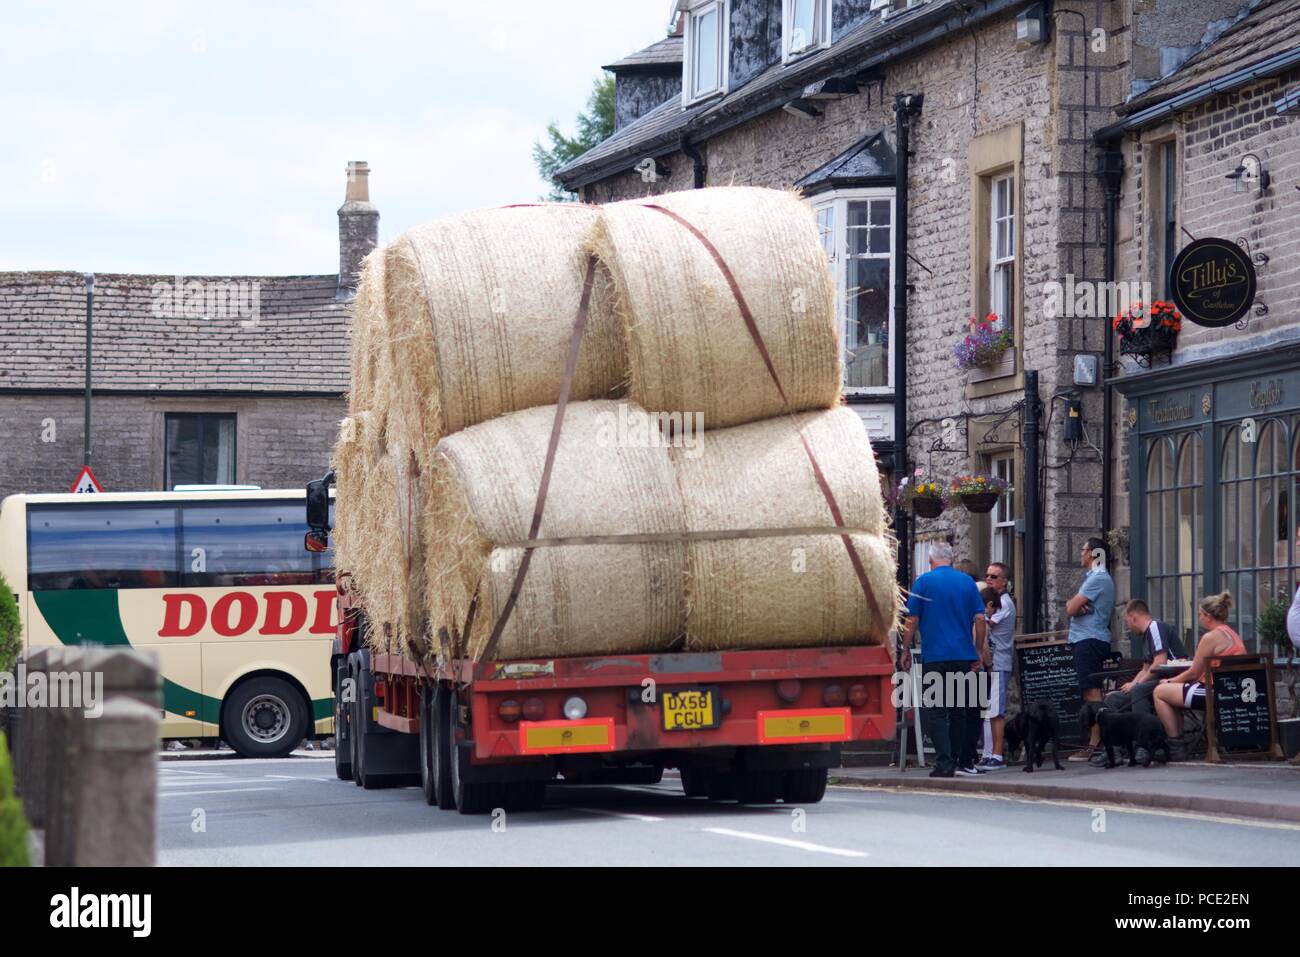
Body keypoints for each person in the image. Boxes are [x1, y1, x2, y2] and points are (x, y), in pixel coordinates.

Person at [900, 541, 988, 778]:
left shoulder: (923, 583)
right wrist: (978, 651)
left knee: (937, 711)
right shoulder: (967, 582)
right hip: (962, 655)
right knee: (958, 710)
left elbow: (912, 621)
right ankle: (959, 761)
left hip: (935, 656)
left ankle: (944, 763)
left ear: (930, 561)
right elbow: (980, 620)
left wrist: (905, 649)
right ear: (952, 558)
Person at [1154, 592, 1247, 758]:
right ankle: (1180, 742)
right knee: (1173, 692)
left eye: (1199, 614)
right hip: (1234, 691)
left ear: (1208, 616)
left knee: (1160, 692)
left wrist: (1169, 681)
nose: (1199, 618)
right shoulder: (1232, 634)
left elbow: (1193, 673)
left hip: (1214, 691)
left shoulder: (1210, 637)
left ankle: (1176, 746)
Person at [1065, 536, 1116, 765]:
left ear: (1094, 554)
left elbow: (1071, 607)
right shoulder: (1093, 578)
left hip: (1090, 639)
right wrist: (1076, 607)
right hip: (1086, 639)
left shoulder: (1098, 578)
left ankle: (1096, 746)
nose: (1080, 553)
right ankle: (1097, 744)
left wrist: (1078, 607)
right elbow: (1072, 607)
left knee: (1092, 693)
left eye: (1083, 549)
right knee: (1089, 692)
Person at [976, 563, 1016, 771]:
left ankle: (998, 756)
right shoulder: (994, 601)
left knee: (996, 711)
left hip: (999, 663)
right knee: (988, 710)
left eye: (994, 576)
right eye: (987, 575)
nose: (989, 578)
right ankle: (988, 753)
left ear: (1004, 582)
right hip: (991, 664)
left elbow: (983, 624)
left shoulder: (1005, 604)